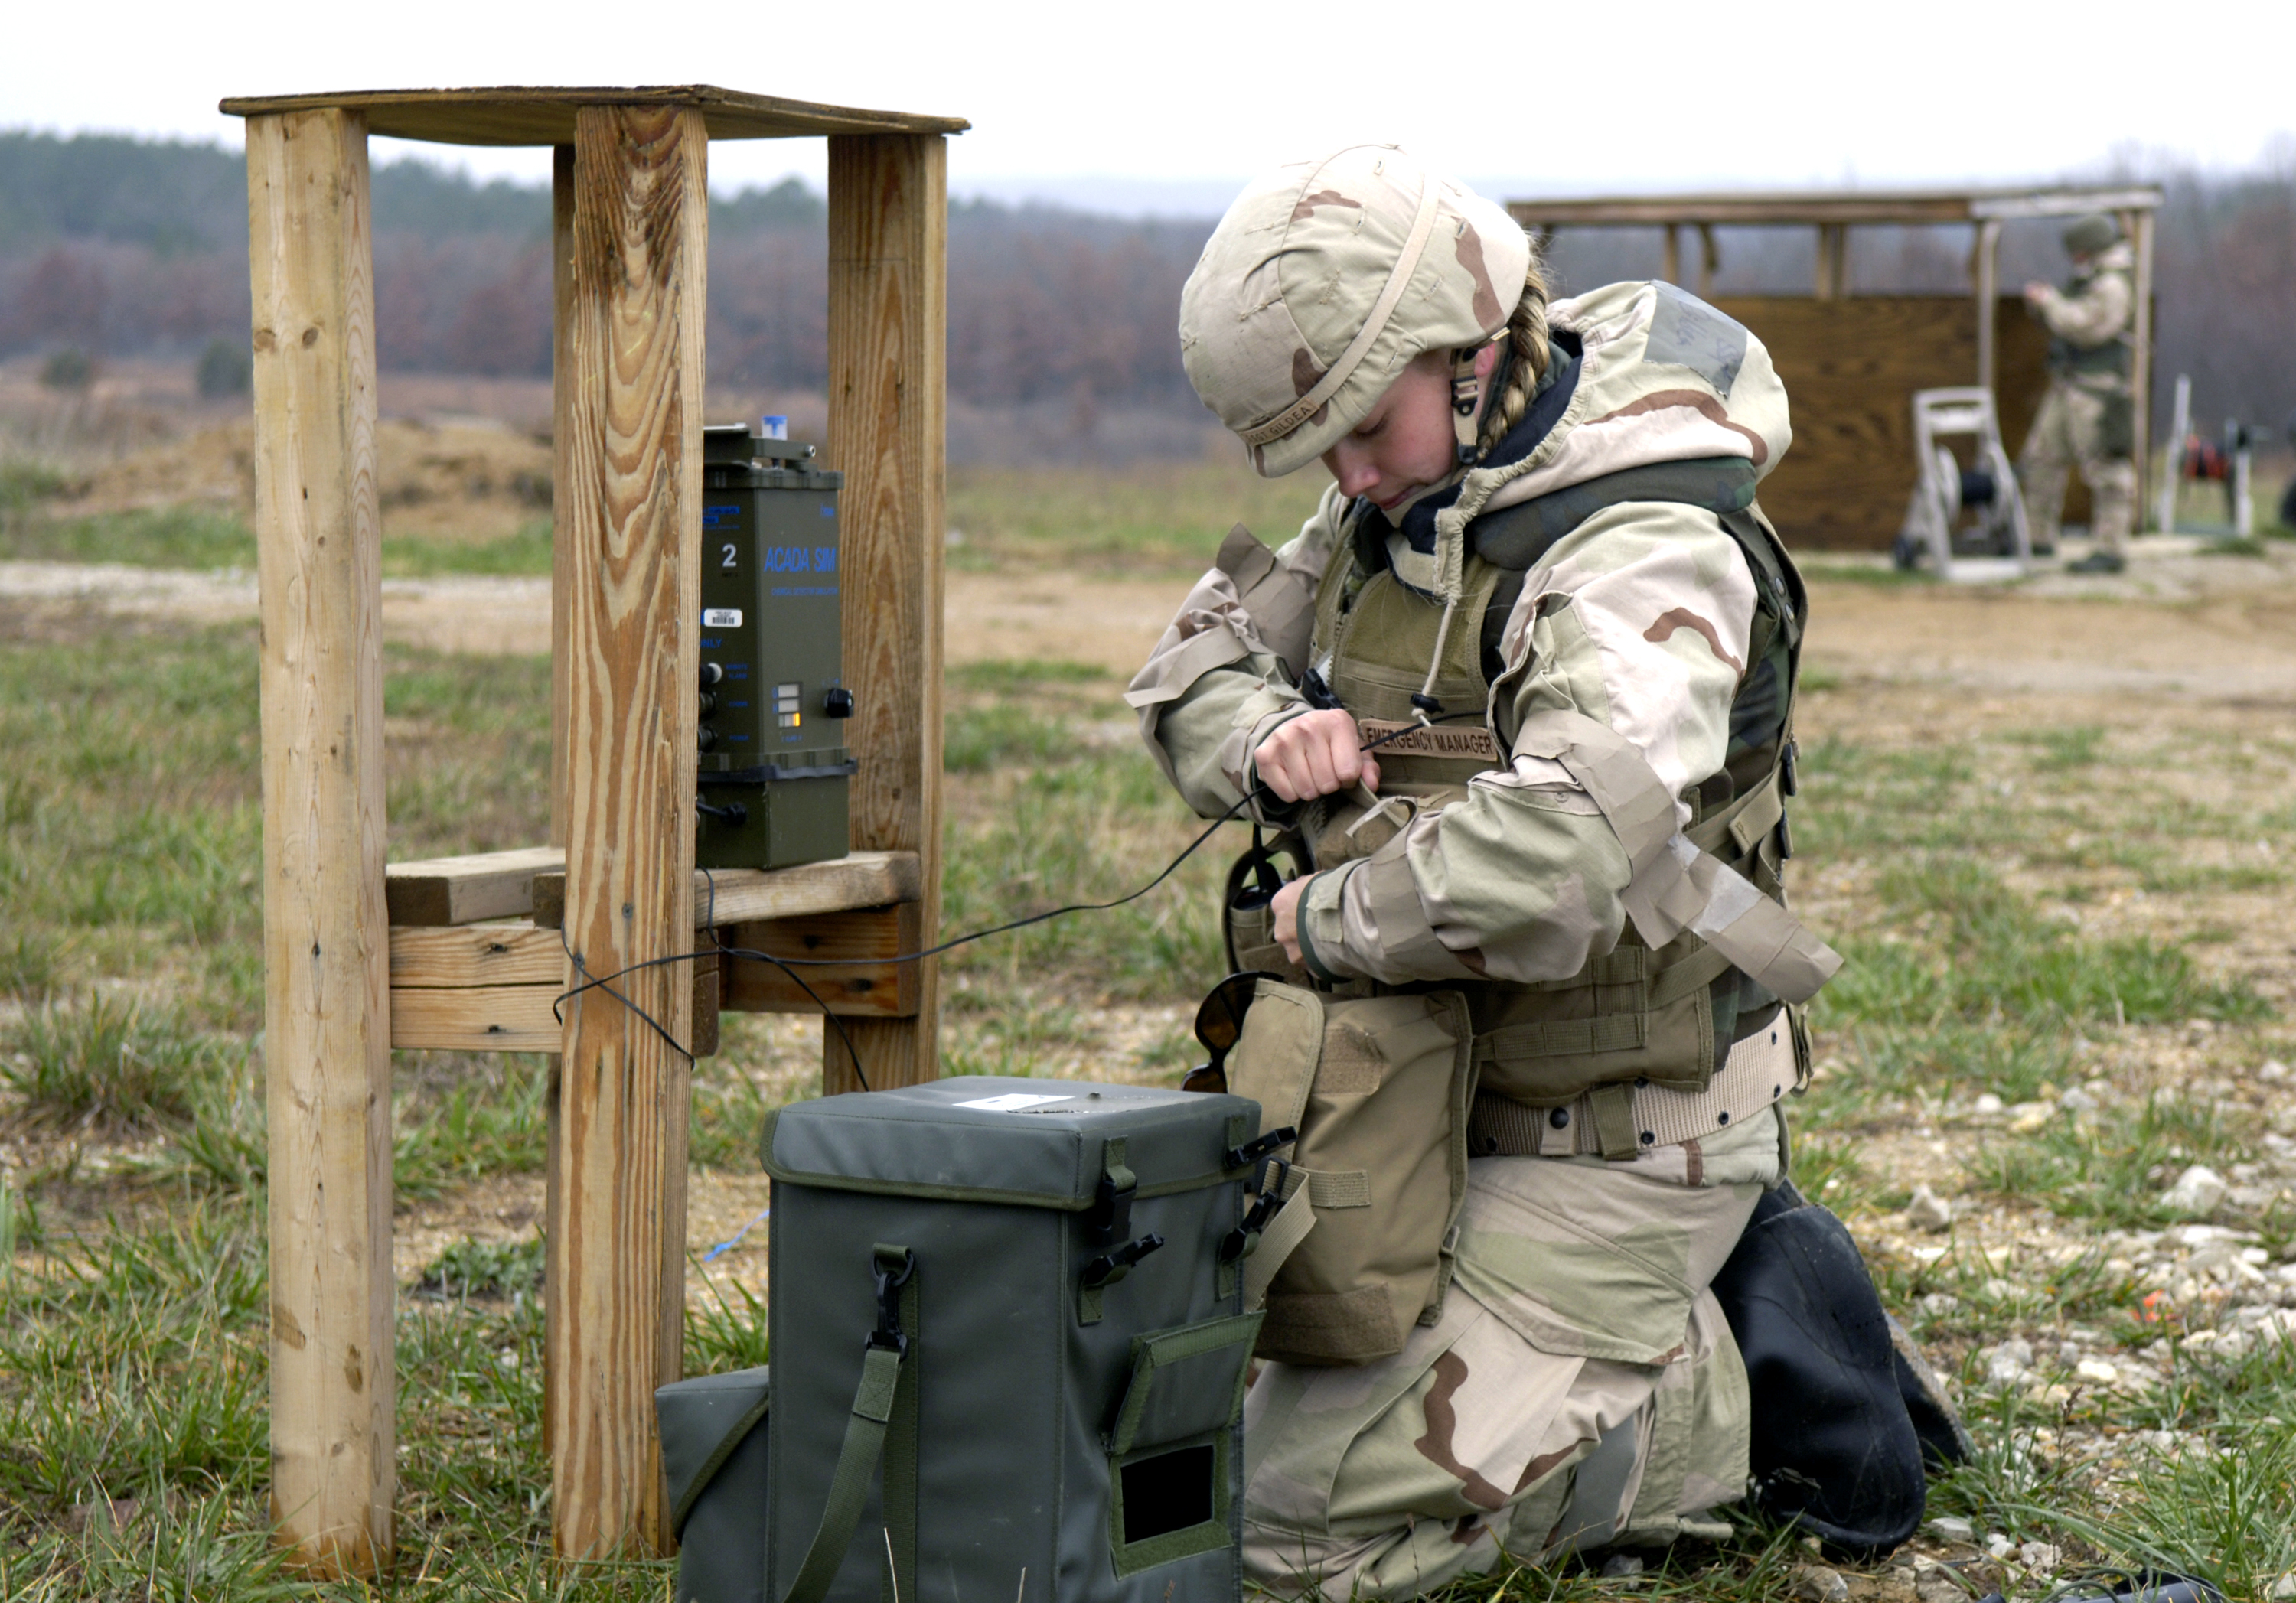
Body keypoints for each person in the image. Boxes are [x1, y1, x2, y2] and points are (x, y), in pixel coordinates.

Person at [1130, 147, 1946, 1595]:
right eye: (1316, 448)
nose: (1345, 476)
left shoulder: (1644, 550)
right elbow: (1188, 662)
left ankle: (1736, 1385)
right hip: (1409, 1108)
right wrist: (1267, 737)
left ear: (1467, 348)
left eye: (1361, 430)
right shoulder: (1410, 488)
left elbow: (1559, 855)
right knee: (1144, 1442)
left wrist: (1323, 920)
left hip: (1617, 1146)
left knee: (1285, 1529)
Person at [2020, 213, 2139, 574]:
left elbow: (2085, 328)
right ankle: (2037, 537)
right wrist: (2044, 305)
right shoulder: (2092, 279)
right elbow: (2067, 317)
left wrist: (2050, 302)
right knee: (2041, 459)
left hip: (2097, 392)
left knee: (2107, 470)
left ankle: (2110, 549)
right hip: (2069, 386)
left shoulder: (2112, 285)